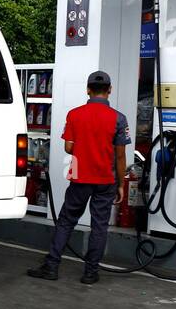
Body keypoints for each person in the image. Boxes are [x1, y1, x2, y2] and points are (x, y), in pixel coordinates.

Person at [27, 70, 130, 284]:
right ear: (109, 90)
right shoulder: (119, 119)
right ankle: (90, 272)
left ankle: (52, 267)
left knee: (66, 222)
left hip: (80, 178)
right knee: (99, 226)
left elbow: (68, 147)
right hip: (105, 181)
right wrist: (121, 184)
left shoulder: (74, 114)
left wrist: (83, 148)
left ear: (88, 90)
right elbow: (120, 156)